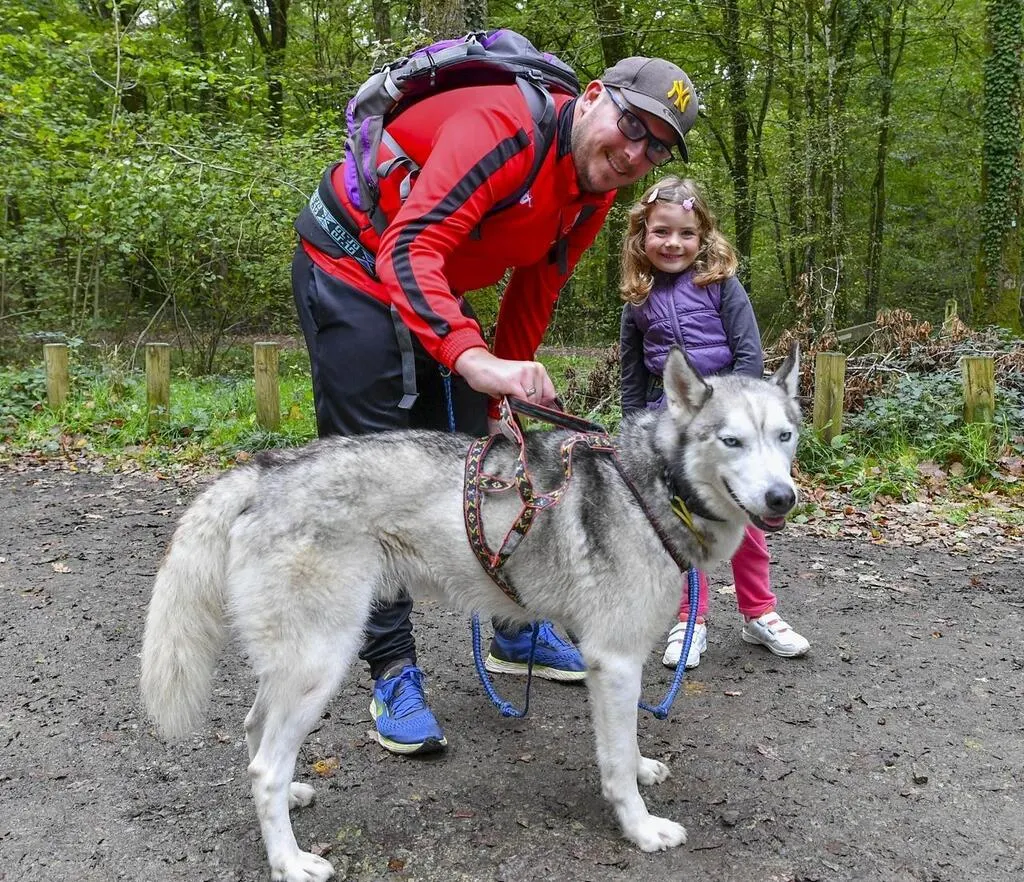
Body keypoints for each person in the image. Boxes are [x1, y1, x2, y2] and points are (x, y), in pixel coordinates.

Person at [292, 55, 700, 754]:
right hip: (353, 264)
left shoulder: (594, 182)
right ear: (594, 97)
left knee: (487, 459)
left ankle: (515, 628)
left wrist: (504, 392)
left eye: (657, 145)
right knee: (378, 480)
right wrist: (472, 357)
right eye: (631, 125)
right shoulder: (501, 128)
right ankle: (393, 671)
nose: (636, 152)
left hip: (434, 280)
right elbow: (409, 246)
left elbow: (537, 286)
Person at [618, 176, 810, 670]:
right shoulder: (636, 302)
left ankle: (759, 611)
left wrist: (737, 413)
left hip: (734, 430)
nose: (674, 243)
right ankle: (690, 620)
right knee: (684, 527)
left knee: (749, 522)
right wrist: (628, 430)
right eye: (662, 232)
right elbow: (633, 372)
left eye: (686, 233)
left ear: (703, 237)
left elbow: (748, 351)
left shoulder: (721, 286)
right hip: (674, 431)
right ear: (642, 235)